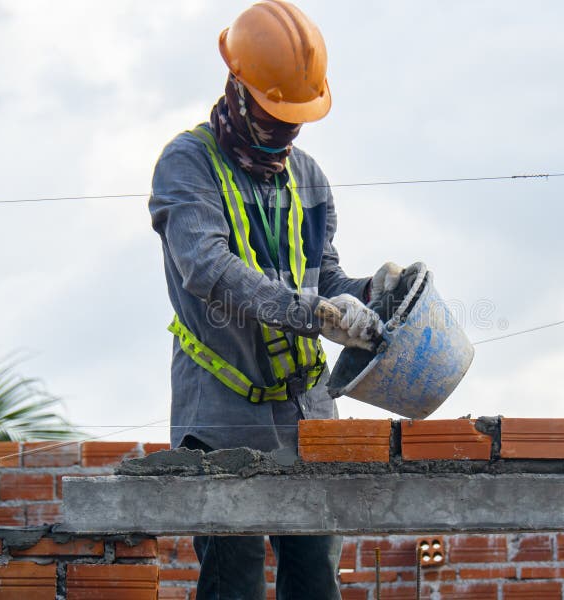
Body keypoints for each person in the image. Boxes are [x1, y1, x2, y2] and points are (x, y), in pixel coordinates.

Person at [148, 1, 401, 598]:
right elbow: (209, 270)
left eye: (296, 117)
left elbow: (325, 277)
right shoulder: (187, 165)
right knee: (233, 583)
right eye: (274, 112)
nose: (285, 129)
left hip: (305, 412)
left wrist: (370, 295)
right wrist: (312, 313)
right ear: (238, 87)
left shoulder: (307, 176)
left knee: (315, 581)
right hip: (221, 412)